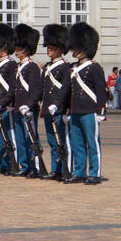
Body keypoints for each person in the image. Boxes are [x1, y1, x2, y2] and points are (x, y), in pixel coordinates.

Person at [65, 22, 107, 185]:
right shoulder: (72, 67)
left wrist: (100, 112)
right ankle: (79, 171)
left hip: (90, 110)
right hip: (75, 110)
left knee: (92, 142)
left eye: (76, 47)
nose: (73, 50)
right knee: (77, 143)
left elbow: (101, 91)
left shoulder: (94, 68)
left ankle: (94, 172)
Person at [13, 23, 46, 178]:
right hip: (17, 108)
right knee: (20, 140)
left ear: (26, 49)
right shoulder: (18, 67)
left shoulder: (32, 67)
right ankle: (25, 165)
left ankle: (36, 167)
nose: (16, 51)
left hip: (28, 109)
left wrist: (29, 105)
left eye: (19, 49)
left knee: (31, 138)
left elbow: (36, 90)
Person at [41, 24, 72, 181]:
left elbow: (65, 89)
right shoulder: (47, 66)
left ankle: (65, 168)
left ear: (60, 48)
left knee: (62, 142)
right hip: (48, 109)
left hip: (58, 110)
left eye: (52, 47)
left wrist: (58, 105)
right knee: (52, 141)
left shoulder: (65, 67)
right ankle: (55, 169)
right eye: (48, 47)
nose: (49, 49)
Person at [0, 23, 20, 176]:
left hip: (6, 106)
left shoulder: (11, 64)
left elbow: (12, 88)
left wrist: (2, 103)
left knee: (9, 137)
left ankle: (11, 164)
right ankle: (0, 164)